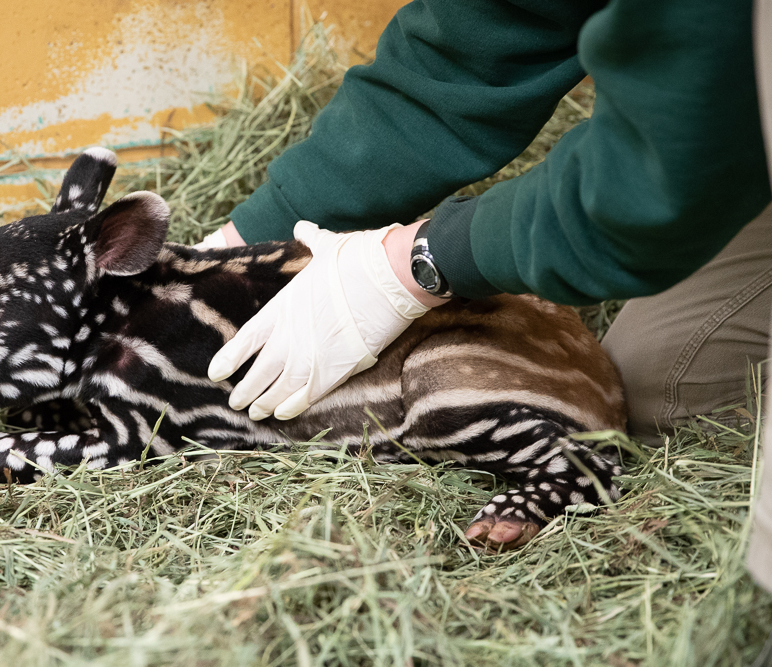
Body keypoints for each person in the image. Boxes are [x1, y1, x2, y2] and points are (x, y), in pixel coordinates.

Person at [196, 0, 772, 652]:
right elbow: (490, 30)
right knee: (646, 375)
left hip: (727, 93)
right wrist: (239, 244)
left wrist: (422, 260)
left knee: (672, 385)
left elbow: (664, 162)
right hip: (731, 103)